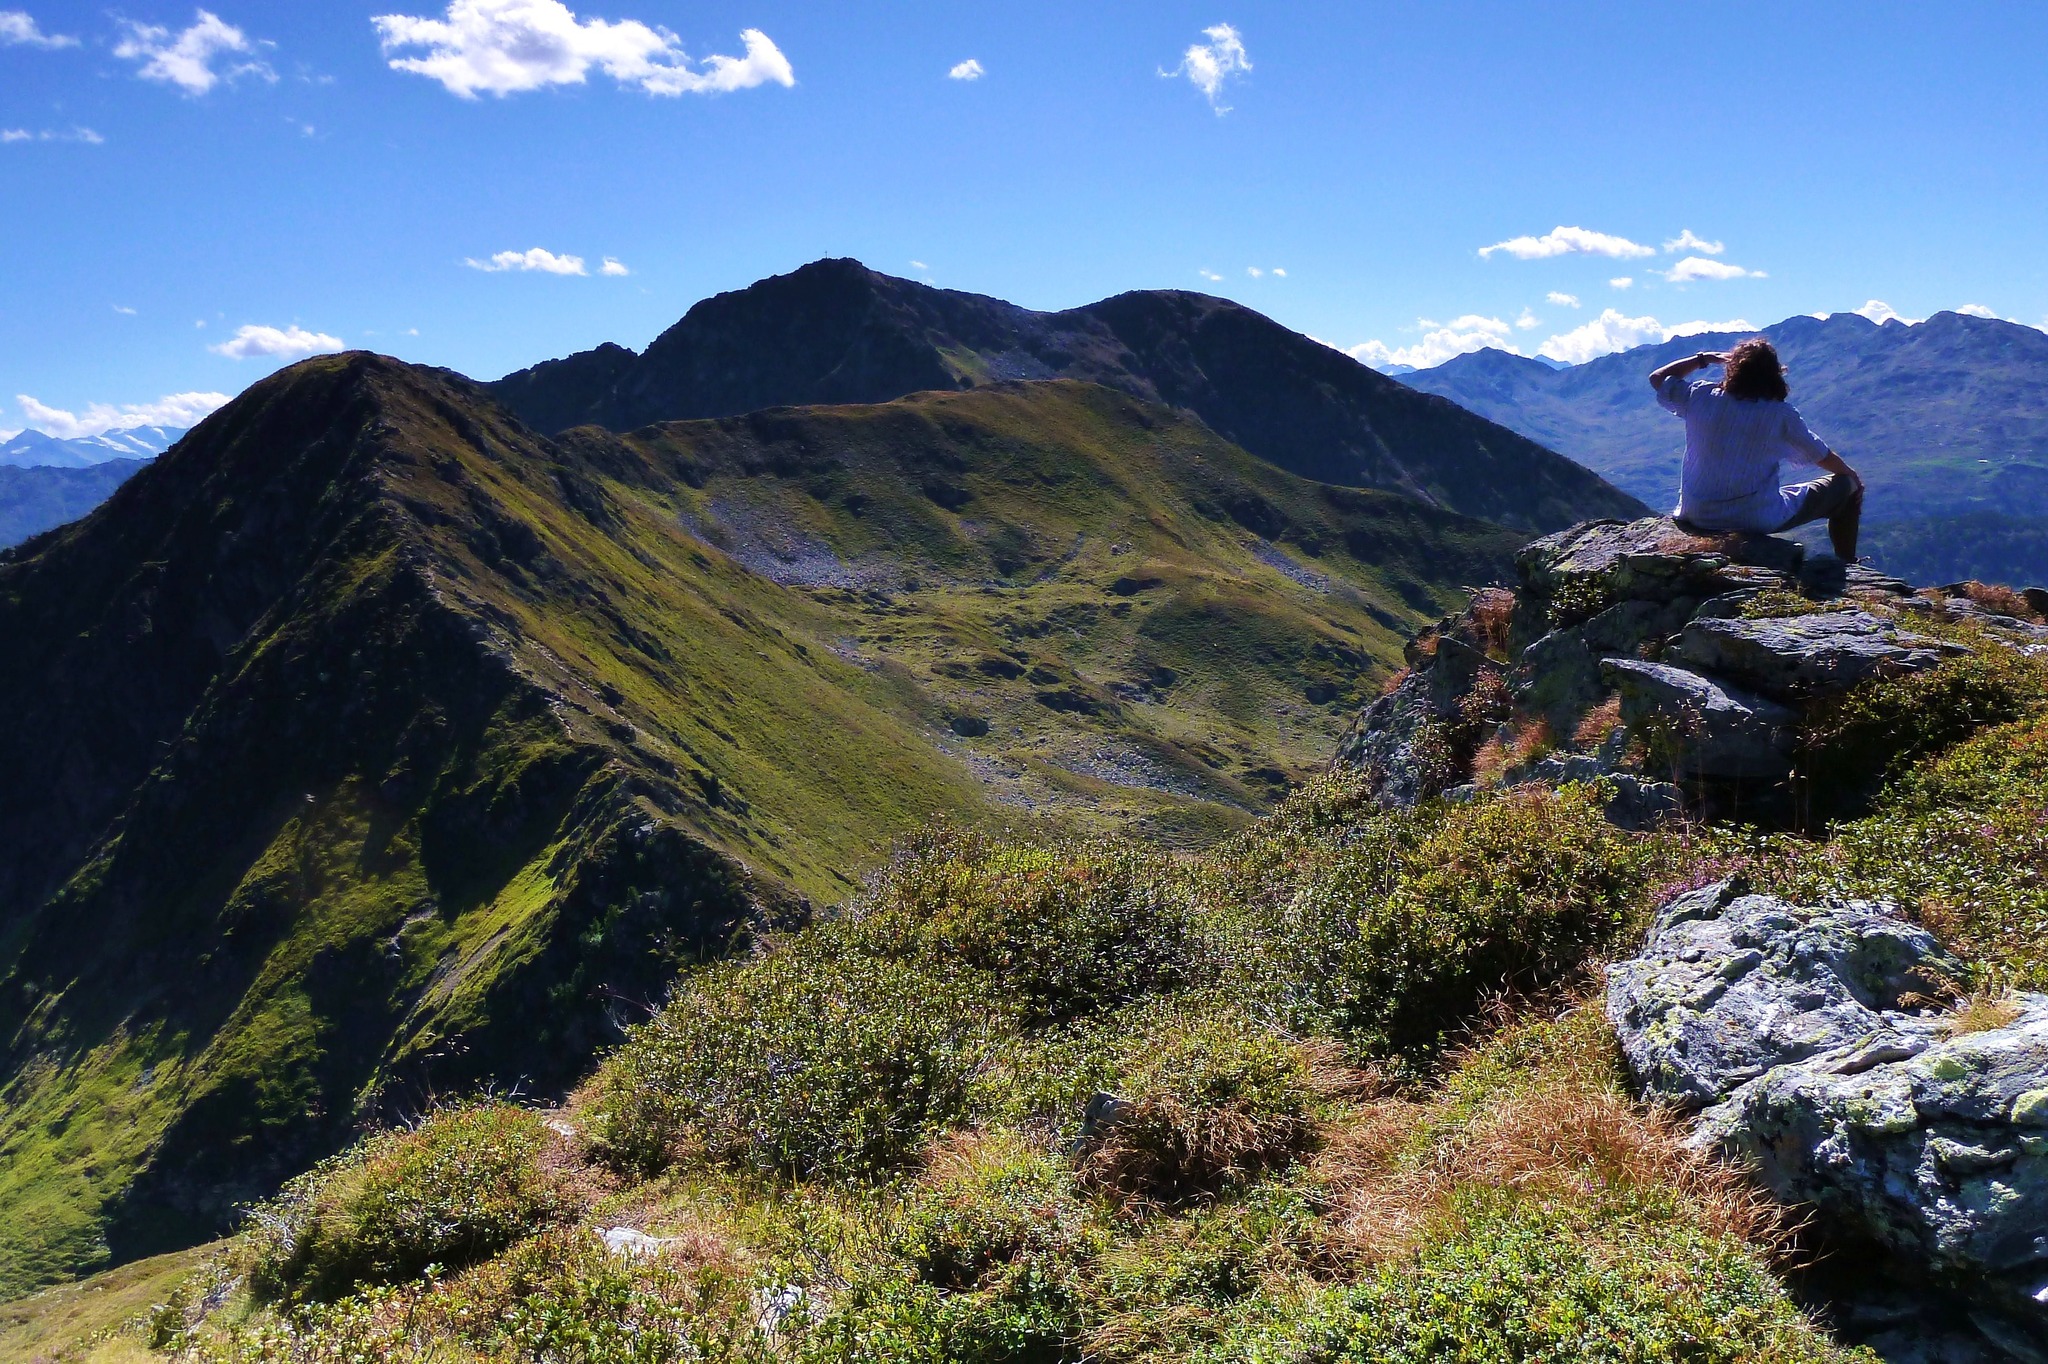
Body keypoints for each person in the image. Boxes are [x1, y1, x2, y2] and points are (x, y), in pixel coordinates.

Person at [1647, 338, 1864, 560]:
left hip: (1695, 514)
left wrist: (1705, 358)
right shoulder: (1781, 415)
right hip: (1753, 518)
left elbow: (1658, 377)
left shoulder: (1700, 396)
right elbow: (1821, 455)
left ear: (1732, 369)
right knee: (1846, 485)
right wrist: (1853, 477)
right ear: (1775, 375)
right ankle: (1848, 563)